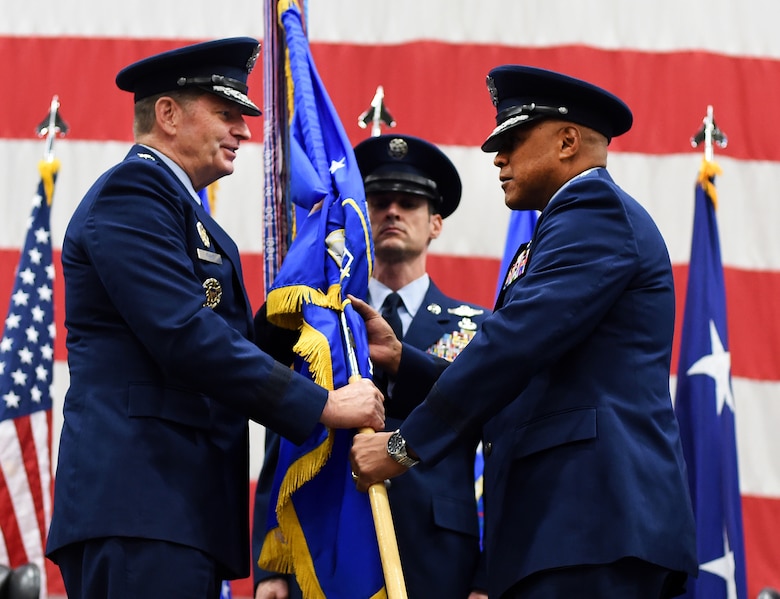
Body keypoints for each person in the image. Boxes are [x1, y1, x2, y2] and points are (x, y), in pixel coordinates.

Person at [45, 38, 385, 599]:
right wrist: (322, 406)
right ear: (168, 114)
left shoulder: (180, 211)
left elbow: (226, 337)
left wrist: (316, 321)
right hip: (141, 503)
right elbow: (183, 333)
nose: (245, 131)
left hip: (177, 509)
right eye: (226, 113)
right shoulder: (132, 195)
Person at [350, 65, 699, 599]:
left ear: (566, 141)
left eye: (512, 140)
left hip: (591, 524)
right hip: (564, 532)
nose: (498, 158)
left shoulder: (594, 213)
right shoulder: (562, 230)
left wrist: (402, 447)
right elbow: (522, 376)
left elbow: (512, 346)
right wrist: (403, 360)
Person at [252, 134, 490, 599]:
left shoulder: (480, 330)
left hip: (440, 555)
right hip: (330, 543)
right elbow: (283, 432)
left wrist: (487, 578)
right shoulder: (322, 324)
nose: (392, 212)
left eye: (409, 202)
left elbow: (501, 450)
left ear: (435, 223)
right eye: (378, 202)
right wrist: (271, 564)